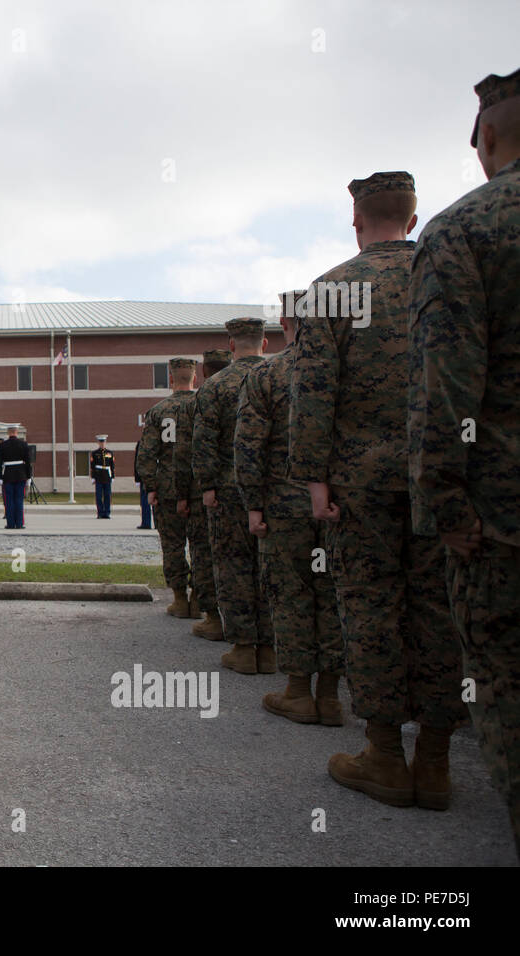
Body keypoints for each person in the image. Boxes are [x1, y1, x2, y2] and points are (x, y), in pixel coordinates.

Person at [292, 170, 467, 809]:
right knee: (440, 610)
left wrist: (314, 479)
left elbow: (313, 397)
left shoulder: (333, 291)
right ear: (414, 220)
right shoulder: (448, 270)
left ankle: (386, 755)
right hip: (444, 475)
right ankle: (439, 761)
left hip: (360, 485)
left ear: (357, 221)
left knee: (368, 609)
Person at [409, 67, 520, 846]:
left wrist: (445, 505)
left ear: (483, 139)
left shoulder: (466, 229)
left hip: (503, 522)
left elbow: (449, 387)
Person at [236, 293, 343, 725]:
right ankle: (332, 696)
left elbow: (248, 447)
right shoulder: (341, 370)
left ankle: (299, 690)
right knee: (334, 594)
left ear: (282, 322)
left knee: (293, 595)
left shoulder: (268, 373)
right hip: (338, 504)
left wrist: (253, 506)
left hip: (284, 506)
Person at [194, 318, 274, 674]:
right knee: (272, 569)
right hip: (275, 492)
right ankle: (271, 649)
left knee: (233, 566)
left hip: (227, 492)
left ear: (230, 345)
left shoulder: (215, 384)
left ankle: (244, 648)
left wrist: (207, 486)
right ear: (265, 343)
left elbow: (204, 441)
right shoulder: (280, 375)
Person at [136, 358, 202, 619]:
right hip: (198, 486)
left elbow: (147, 454)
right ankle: (199, 599)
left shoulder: (158, 411)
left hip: (167, 487)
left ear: (171, 378)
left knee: (173, 544)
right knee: (200, 545)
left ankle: (178, 599)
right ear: (194, 378)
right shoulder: (203, 406)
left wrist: (150, 486)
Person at [173, 348, 231, 640]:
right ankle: (258, 639)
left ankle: (212, 617)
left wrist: (183, 493)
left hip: (206, 493)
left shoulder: (198, 401)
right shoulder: (260, 381)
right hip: (253, 491)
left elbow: (186, 454)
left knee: (205, 554)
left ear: (204, 372)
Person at [0, 424, 31, 530]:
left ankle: (10, 524)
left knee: (9, 501)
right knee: (19, 500)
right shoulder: (24, 444)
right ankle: (19, 524)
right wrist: (29, 476)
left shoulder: (2, 445)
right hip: (21, 475)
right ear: (17, 432)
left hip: (8, 476)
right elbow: (28, 462)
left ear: (8, 432)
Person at [90, 436, 114, 518]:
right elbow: (92, 466)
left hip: (107, 475)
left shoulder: (109, 453)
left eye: (103, 442)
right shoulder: (95, 453)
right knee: (99, 496)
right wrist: (93, 477)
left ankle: (107, 513)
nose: (102, 444)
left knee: (107, 495)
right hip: (99, 475)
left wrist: (112, 476)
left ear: (105, 442)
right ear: (98, 443)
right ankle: (100, 512)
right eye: (100, 442)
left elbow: (112, 465)